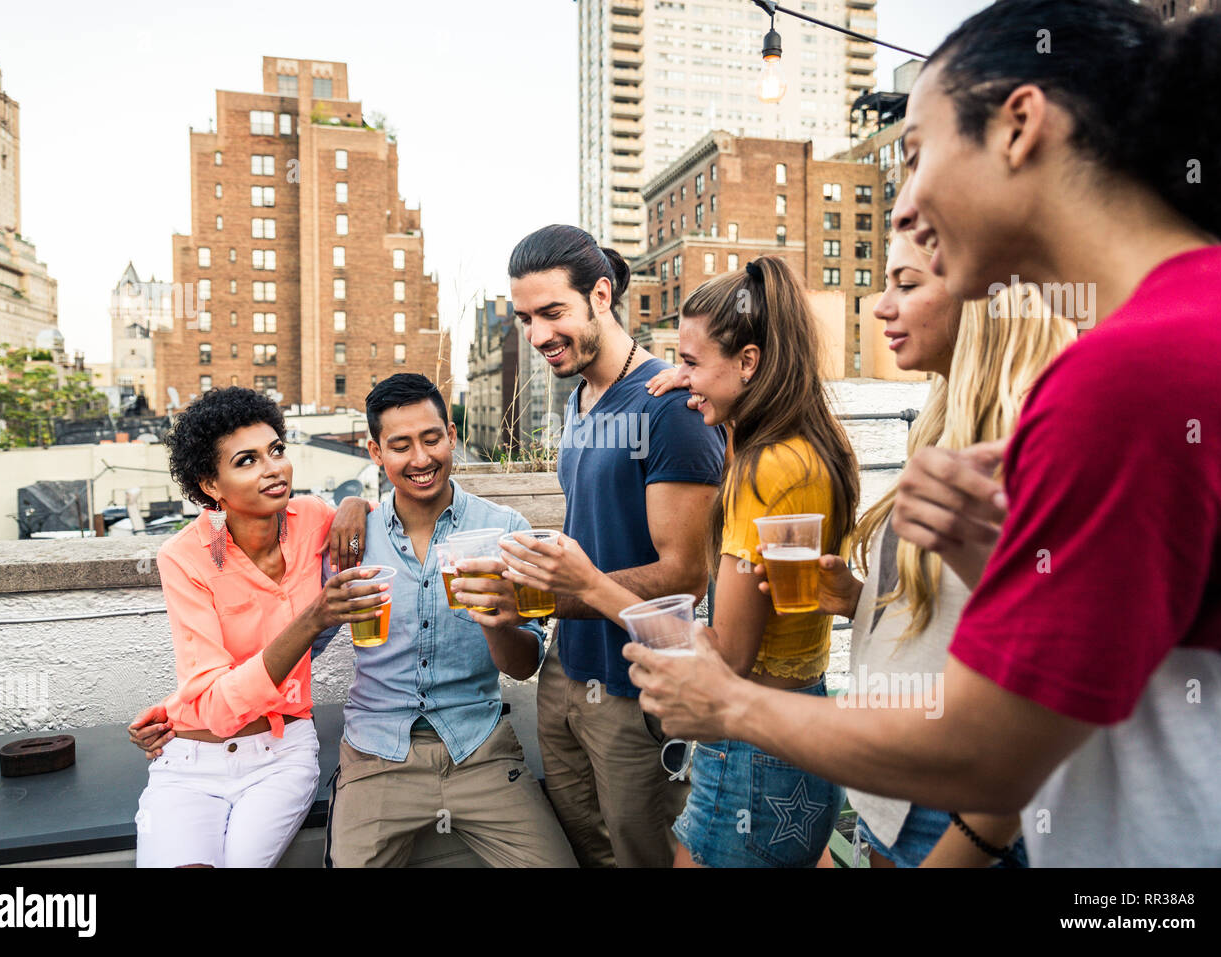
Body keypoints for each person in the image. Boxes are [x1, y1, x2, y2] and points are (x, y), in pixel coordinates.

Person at [624, 0, 1221, 867]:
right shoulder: (1208, 319)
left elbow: (988, 752)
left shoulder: (1133, 372)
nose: (907, 202)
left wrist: (726, 703)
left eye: (915, 155)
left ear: (1020, 126)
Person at [504, 256, 858, 867]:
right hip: (803, 732)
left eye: (690, 364)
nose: (678, 379)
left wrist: (587, 583)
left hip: (750, 752)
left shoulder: (766, 469)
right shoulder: (810, 447)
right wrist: (711, 397)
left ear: (748, 363)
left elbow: (725, 658)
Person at [828, 233, 1073, 867]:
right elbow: (953, 620)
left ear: (985, 301)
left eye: (906, 285)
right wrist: (855, 600)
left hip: (954, 805)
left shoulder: (1036, 452)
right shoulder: (945, 427)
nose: (880, 306)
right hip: (898, 785)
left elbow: (1054, 666)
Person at [507, 224, 726, 867]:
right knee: (591, 851)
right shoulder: (581, 397)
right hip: (565, 673)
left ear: (601, 295)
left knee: (646, 856)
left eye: (552, 312)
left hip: (637, 692)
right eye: (525, 318)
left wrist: (552, 593)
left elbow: (686, 579)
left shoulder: (670, 407)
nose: (538, 334)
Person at [324, 374, 576, 868]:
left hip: (478, 747)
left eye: (432, 438)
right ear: (376, 453)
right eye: (400, 446)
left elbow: (524, 667)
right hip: (377, 752)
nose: (420, 459)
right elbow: (303, 646)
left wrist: (494, 618)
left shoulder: (505, 530)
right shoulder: (352, 539)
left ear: (452, 436)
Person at [128, 387, 383, 868]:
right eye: (246, 460)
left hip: (281, 752)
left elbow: (371, 519)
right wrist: (315, 616)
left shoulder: (312, 519)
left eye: (277, 450)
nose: (273, 469)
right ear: (210, 483)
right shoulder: (184, 558)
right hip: (190, 758)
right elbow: (216, 707)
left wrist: (354, 504)